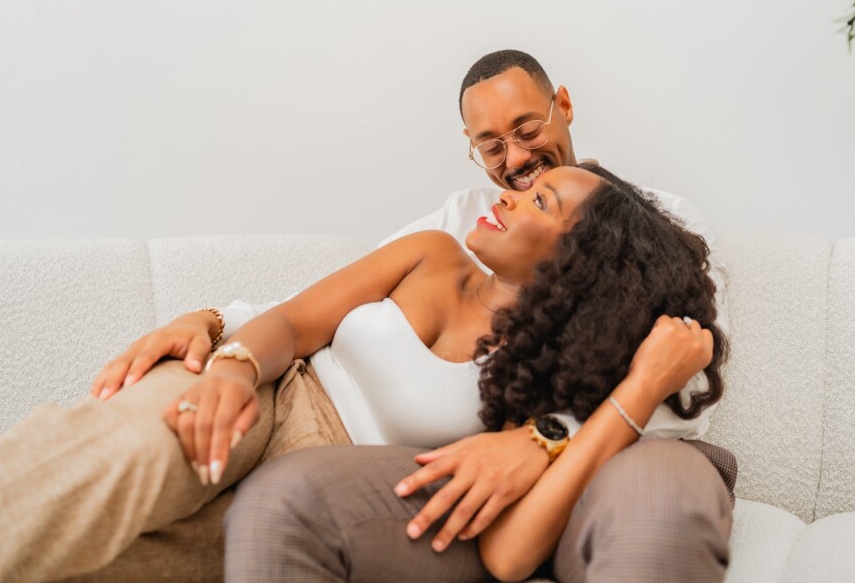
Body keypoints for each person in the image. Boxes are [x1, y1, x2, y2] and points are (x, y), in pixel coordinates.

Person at [0, 164, 724, 583]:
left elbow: (510, 551)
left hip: (321, 498)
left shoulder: (552, 382)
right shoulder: (432, 252)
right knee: (119, 458)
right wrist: (236, 365)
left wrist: (609, 405)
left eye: (539, 200)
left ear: (579, 262)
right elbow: (297, 320)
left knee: (113, 567)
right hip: (269, 391)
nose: (505, 190)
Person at [220, 51, 738, 583]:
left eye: (527, 130)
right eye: (490, 146)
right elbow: (329, 302)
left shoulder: (658, 233)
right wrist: (218, 325)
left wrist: (542, 438)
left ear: (562, 105)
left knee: (658, 506)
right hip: (491, 481)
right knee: (283, 499)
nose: (514, 161)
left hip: (620, 460)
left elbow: (684, 377)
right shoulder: (463, 223)